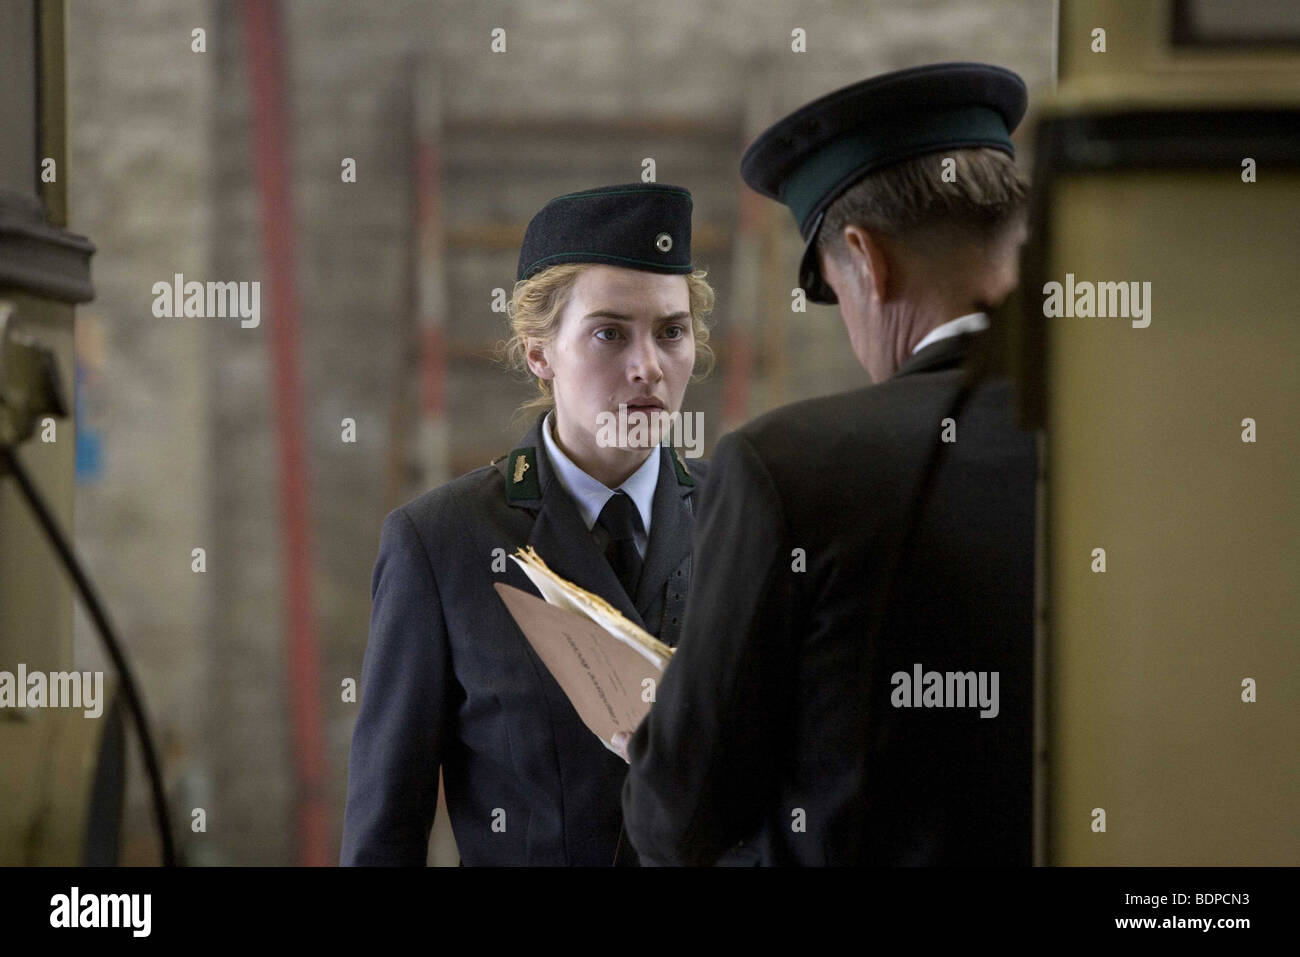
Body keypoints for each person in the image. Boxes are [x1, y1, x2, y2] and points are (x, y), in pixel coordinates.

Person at [617, 62, 1038, 866]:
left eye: (837, 293)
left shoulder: (789, 466)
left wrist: (654, 731)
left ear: (866, 261)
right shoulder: (1144, 439)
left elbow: (679, 821)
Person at [341, 183, 715, 865]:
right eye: (610, 333)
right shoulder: (442, 543)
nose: (648, 367)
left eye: (671, 332)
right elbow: (387, 827)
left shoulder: (742, 520)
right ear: (539, 354)